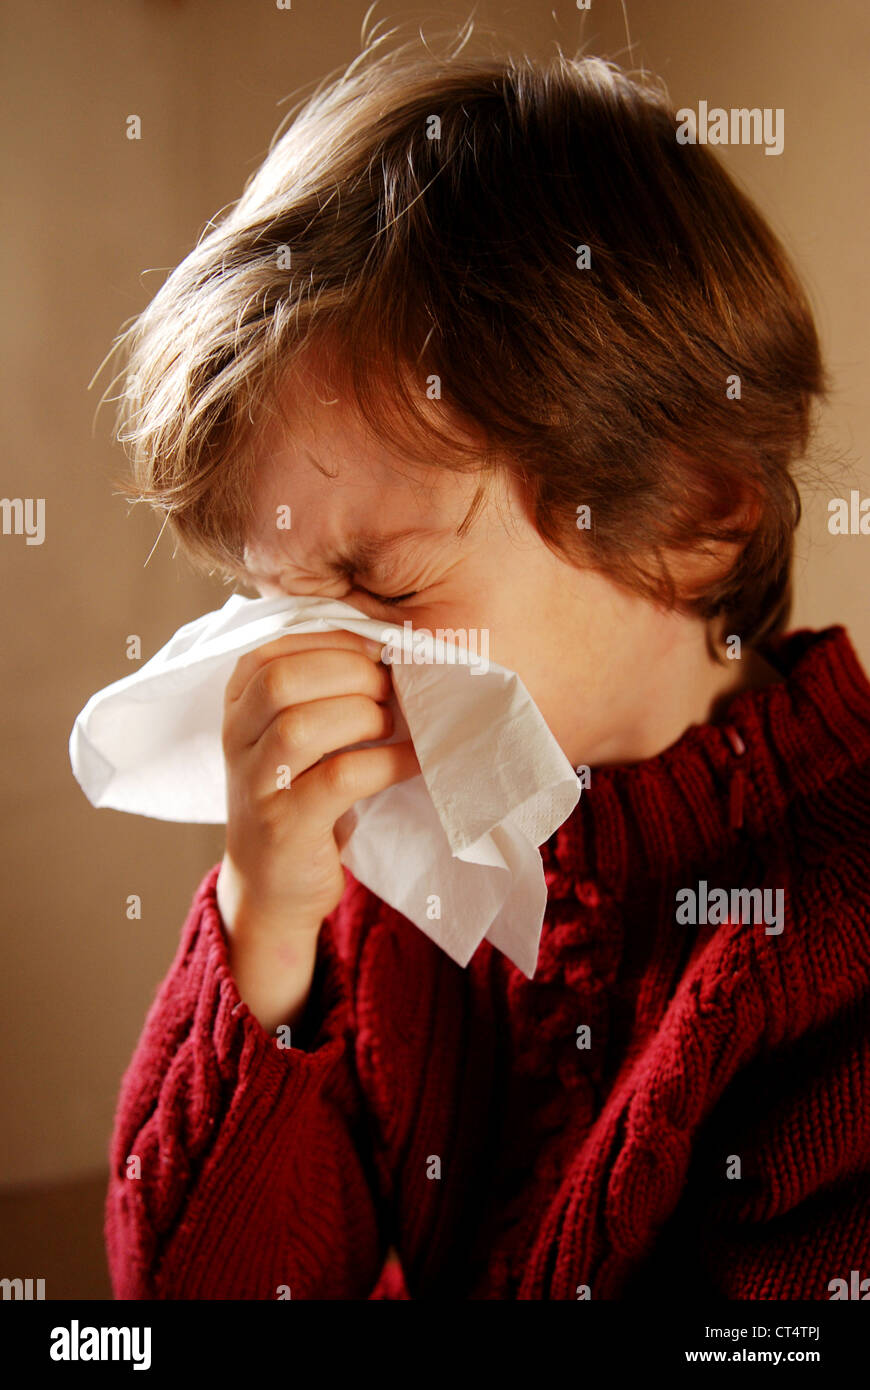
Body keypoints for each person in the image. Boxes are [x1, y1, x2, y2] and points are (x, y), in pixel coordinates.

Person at [102, 37, 870, 1299]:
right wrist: (266, 925)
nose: (321, 652)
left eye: (391, 585)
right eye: (282, 598)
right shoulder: (393, 870)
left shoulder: (833, 939)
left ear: (691, 514)